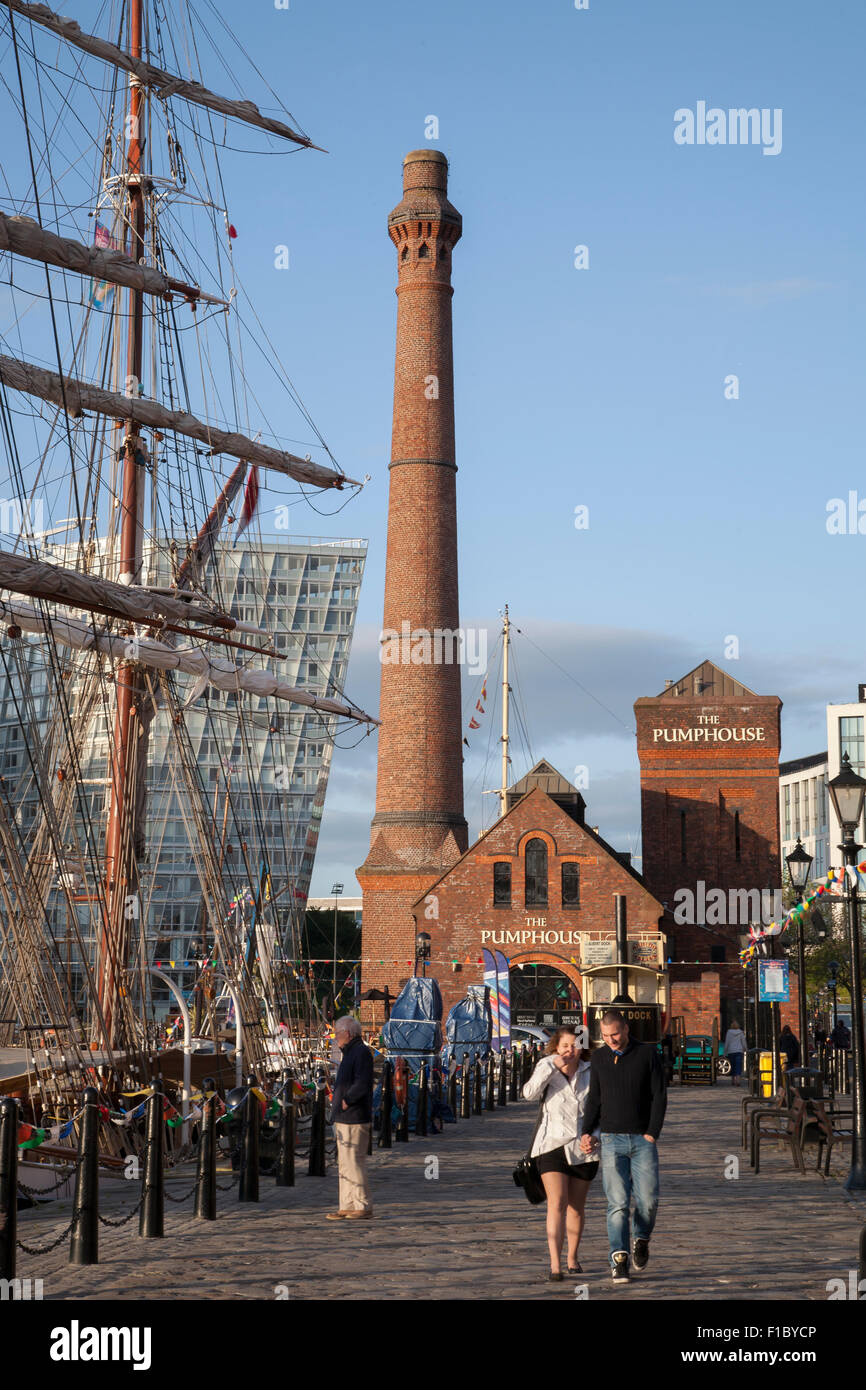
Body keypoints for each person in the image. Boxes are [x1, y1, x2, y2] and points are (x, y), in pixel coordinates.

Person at [580, 1008, 667, 1284]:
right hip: (611, 1138)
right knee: (617, 1203)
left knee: (648, 1200)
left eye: (615, 1033)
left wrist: (653, 1132)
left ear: (626, 1029)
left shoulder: (647, 1054)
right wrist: (586, 1131)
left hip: (642, 1139)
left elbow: (659, 1095)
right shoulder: (600, 1058)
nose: (611, 1040)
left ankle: (641, 1238)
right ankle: (618, 1258)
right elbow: (595, 1098)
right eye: (605, 1035)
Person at [522, 1026, 599, 1280]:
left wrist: (595, 1137)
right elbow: (529, 1093)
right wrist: (551, 1066)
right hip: (551, 1144)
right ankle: (555, 1264)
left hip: (583, 1146)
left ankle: (572, 1257)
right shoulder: (546, 1066)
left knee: (576, 1207)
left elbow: (601, 1109)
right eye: (565, 1045)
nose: (570, 1050)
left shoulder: (592, 1071)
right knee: (557, 1203)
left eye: (575, 1046)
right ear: (556, 1047)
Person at [326, 1016, 374, 1221]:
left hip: (355, 1115)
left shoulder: (361, 1052)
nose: (336, 1037)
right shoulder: (350, 1052)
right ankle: (346, 1204)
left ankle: (362, 1204)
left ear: (348, 1033)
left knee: (354, 1162)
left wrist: (347, 1099)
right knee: (344, 1164)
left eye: (338, 1033)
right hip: (344, 1116)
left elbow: (363, 1082)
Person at [723, 1020, 747, 1087]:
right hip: (739, 1051)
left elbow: (727, 1042)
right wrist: (745, 1048)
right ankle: (738, 1080)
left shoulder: (729, 1032)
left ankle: (733, 1080)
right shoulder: (741, 1032)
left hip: (731, 1051)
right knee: (738, 1066)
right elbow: (743, 1042)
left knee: (732, 1066)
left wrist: (725, 1052)